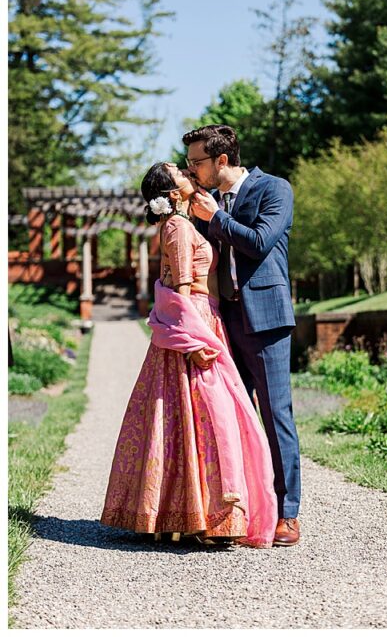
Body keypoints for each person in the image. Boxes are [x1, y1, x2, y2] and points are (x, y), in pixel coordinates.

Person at [101, 162, 277, 547]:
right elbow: (180, 289)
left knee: (189, 416)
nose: (186, 171)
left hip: (202, 317)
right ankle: (204, 516)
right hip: (194, 320)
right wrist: (193, 341)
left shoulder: (179, 223)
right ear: (174, 192)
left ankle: (182, 511)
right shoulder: (179, 228)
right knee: (206, 415)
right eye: (179, 172)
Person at [183, 124, 302, 547]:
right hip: (224, 321)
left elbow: (258, 242)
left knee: (274, 415)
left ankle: (287, 514)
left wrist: (215, 218)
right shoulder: (206, 204)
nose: (191, 169)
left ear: (221, 160)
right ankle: (239, 514)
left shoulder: (274, 189)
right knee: (231, 417)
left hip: (267, 319)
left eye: (196, 161)